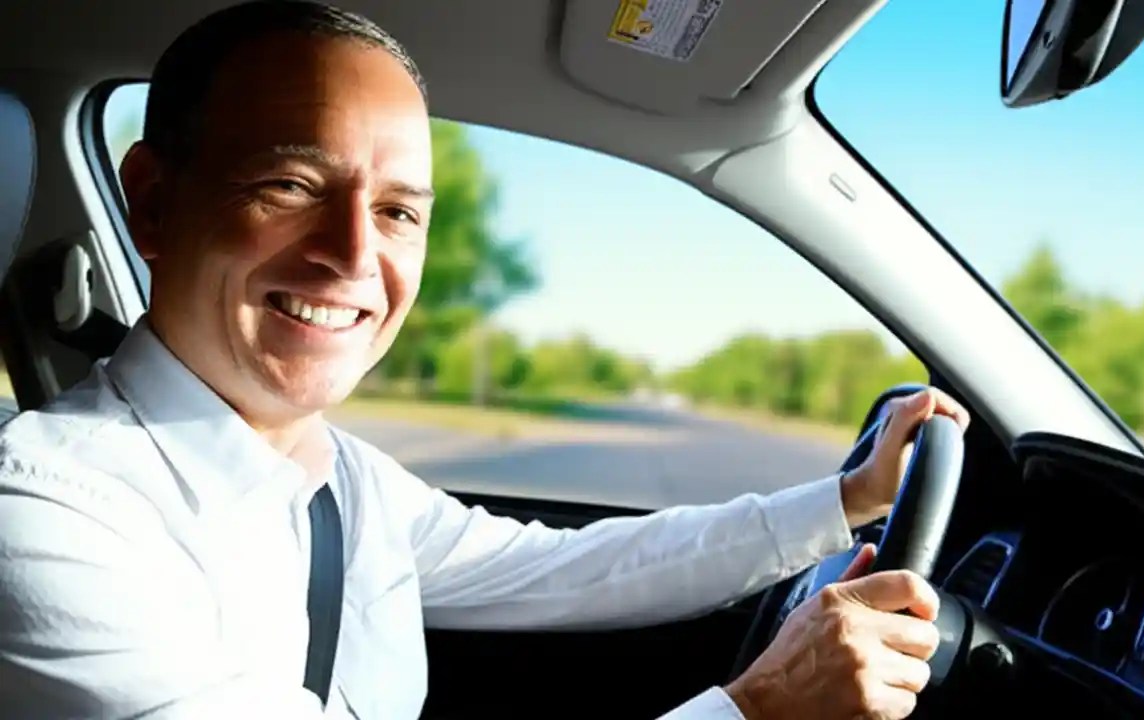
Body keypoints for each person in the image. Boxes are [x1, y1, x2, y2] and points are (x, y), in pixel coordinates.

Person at [0, 2, 970, 718]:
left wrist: (843, 502)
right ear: (154, 204)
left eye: (397, 212)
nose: (351, 254)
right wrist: (755, 707)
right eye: (289, 185)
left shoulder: (337, 477)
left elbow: (568, 571)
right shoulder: (42, 522)